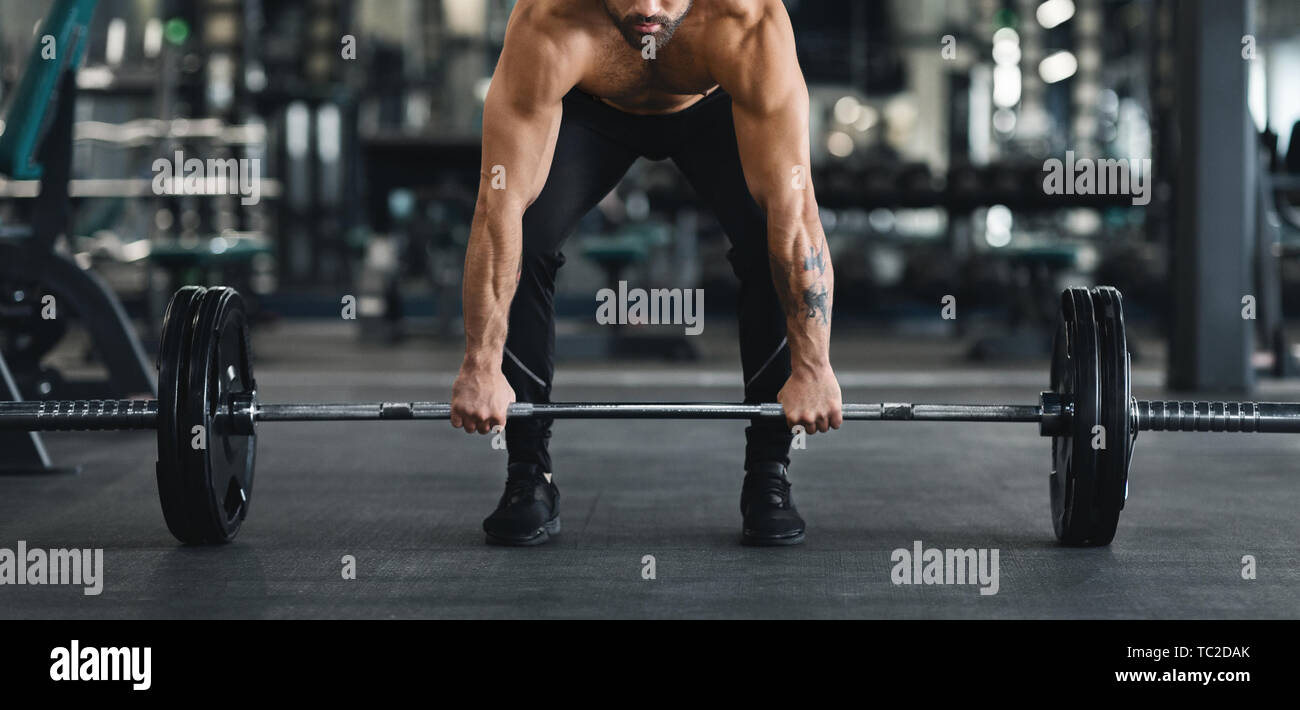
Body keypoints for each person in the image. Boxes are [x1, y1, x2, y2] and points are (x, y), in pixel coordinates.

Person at [450, 0, 843, 546]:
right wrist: (480, 365)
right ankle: (527, 476)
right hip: (593, 106)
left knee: (766, 237)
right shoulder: (550, 20)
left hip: (714, 103)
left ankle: (769, 474)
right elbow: (498, 210)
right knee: (529, 236)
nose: (647, 10)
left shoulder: (746, 21)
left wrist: (815, 367)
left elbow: (795, 214)